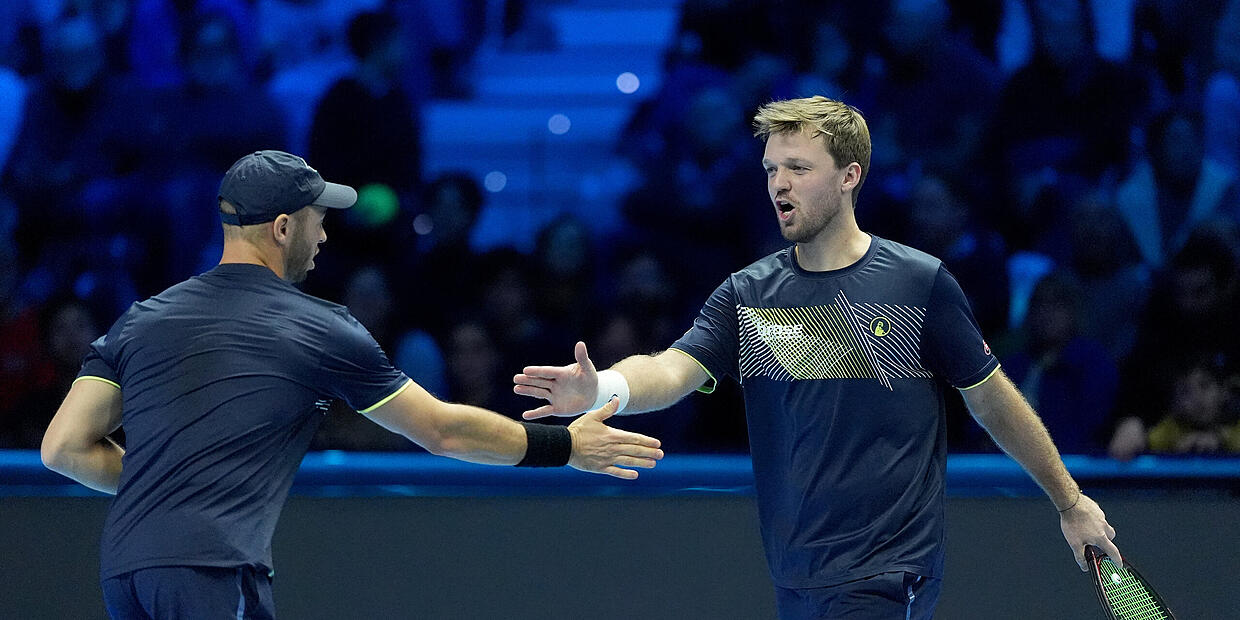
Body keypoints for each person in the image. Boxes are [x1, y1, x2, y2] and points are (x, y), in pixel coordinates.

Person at [514, 97, 1120, 619]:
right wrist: (603, 391)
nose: (779, 182)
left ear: (849, 176)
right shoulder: (747, 294)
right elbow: (673, 369)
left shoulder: (918, 284)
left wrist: (1070, 502)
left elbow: (991, 399)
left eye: (799, 168)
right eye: (771, 168)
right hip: (796, 576)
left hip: (887, 572)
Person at [40, 150, 664, 619]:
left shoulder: (142, 317)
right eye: (317, 220)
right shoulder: (317, 327)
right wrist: (566, 448)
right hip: (212, 569)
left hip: (123, 571)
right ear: (283, 228)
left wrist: (162, 484)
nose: (326, 235)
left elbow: (62, 447)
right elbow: (442, 430)